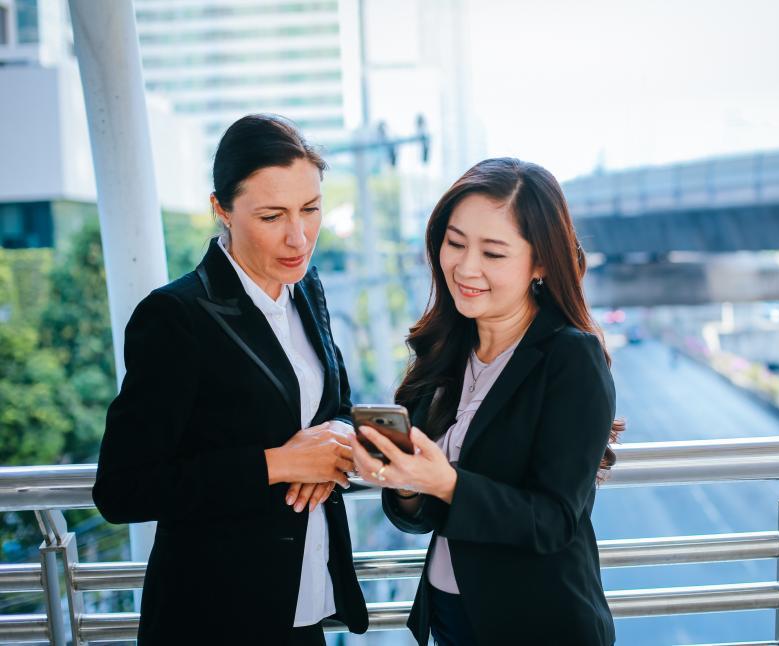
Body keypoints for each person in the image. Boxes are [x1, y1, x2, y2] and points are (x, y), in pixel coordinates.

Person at [93, 114, 367, 645]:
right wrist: (279, 463)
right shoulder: (175, 317)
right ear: (221, 209)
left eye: (311, 209)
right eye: (271, 216)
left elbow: (334, 406)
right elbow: (123, 488)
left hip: (304, 603)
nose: (299, 236)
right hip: (214, 615)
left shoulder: (306, 288)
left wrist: (337, 440)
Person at [350, 158, 622, 645]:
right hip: (451, 617)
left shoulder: (570, 357)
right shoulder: (447, 347)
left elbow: (555, 521)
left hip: (536, 627)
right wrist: (407, 482)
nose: (465, 267)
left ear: (540, 261)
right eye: (455, 243)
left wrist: (448, 483)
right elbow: (418, 516)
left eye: (493, 253)